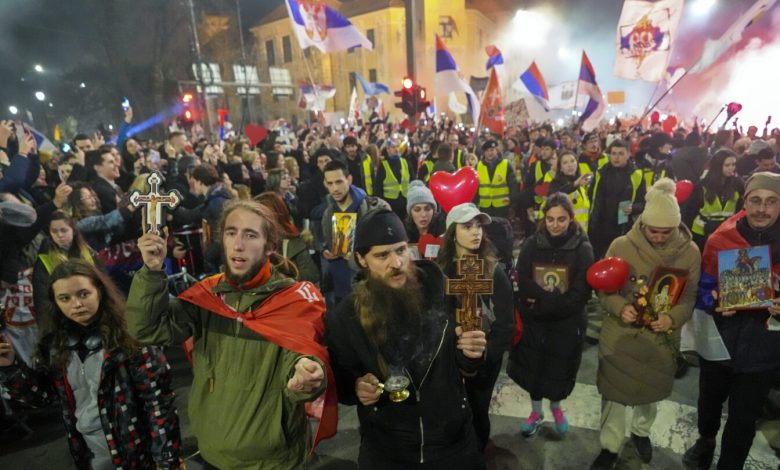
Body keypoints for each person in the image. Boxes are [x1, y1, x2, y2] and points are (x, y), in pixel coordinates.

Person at [127, 200, 336, 469]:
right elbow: (146, 328)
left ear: (270, 245)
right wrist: (152, 271)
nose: (238, 245)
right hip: (212, 452)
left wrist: (308, 375)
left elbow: (303, 362)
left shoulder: (292, 300)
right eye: (231, 233)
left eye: (250, 235)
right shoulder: (207, 296)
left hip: (273, 460)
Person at [326, 209, 488, 469]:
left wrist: (472, 354)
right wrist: (357, 387)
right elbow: (341, 381)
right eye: (382, 255)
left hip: (452, 443)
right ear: (361, 259)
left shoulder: (441, 291)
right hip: (388, 449)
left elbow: (466, 366)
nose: (396, 263)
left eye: (401, 250)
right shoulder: (345, 318)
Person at [0, 260, 182, 469]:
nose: (76, 304)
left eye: (83, 294)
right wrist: (9, 367)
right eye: (65, 298)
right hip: (88, 457)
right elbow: (42, 397)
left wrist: (166, 461)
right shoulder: (55, 345)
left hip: (138, 458)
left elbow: (158, 406)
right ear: (55, 303)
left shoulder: (132, 338)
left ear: (100, 292)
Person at [590, 178, 700, 470]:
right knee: (613, 396)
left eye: (667, 232)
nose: (660, 237)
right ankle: (610, 446)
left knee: (649, 393)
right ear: (642, 223)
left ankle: (641, 432)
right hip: (621, 334)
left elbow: (689, 297)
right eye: (654, 231)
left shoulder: (690, 252)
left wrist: (672, 318)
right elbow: (604, 291)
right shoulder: (621, 245)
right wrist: (619, 307)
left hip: (660, 336)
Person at [683, 172, 780, 470]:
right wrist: (714, 303)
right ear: (745, 202)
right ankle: (706, 440)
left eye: (772, 201)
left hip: (763, 350)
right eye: (755, 200)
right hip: (720, 341)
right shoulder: (721, 239)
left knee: (743, 419)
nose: (762, 208)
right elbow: (702, 291)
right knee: (709, 403)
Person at [509, 193, 594, 438]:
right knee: (534, 368)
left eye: (561, 219)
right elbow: (522, 278)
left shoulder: (582, 248)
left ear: (571, 219)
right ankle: (536, 412)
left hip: (566, 322)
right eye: (550, 219)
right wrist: (545, 301)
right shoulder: (532, 244)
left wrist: (545, 303)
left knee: (559, 367)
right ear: (543, 219)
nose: (555, 224)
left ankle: (556, 406)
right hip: (535, 320)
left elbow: (580, 292)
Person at [436, 203, 515, 452]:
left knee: (478, 410)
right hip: (451, 357)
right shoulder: (442, 273)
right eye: (467, 226)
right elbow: (437, 317)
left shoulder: (493, 271)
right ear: (452, 233)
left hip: (484, 361)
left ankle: (478, 452)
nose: (475, 232)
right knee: (452, 409)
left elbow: (505, 325)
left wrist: (483, 357)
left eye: (478, 226)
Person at [321, 160, 390, 306]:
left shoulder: (374, 208)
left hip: (370, 289)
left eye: (339, 182)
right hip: (340, 291)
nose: (335, 188)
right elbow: (328, 243)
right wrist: (326, 251)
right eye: (330, 183)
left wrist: (352, 258)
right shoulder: (328, 214)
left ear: (349, 179)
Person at [32, 210, 101, 338]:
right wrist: (48, 332)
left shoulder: (89, 252)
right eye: (54, 231)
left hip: (96, 316)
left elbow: (104, 284)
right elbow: (42, 301)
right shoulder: (44, 259)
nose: (59, 235)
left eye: (63, 230)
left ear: (73, 230)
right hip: (64, 322)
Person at [588, 139, 646, 259]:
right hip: (599, 226)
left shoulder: (637, 175)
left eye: (620, 154)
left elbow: (643, 203)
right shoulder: (600, 173)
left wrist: (633, 208)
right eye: (614, 153)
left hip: (623, 227)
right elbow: (591, 197)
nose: (616, 157)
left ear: (628, 155)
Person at [684, 149, 743, 252]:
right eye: (727, 165)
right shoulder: (702, 185)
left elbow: (740, 210)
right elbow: (690, 212)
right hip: (702, 233)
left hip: (727, 232)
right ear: (718, 166)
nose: (731, 168)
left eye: (733, 164)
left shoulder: (738, 184)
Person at [255, 191, 320, 284]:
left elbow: (312, 275)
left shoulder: (294, 242)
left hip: (286, 295)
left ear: (276, 214)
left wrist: (285, 278)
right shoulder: (251, 242)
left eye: (261, 215)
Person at [548, 150, 593, 232]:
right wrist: (575, 184)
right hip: (566, 233)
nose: (570, 165)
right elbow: (556, 195)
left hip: (582, 234)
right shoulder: (556, 183)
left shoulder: (581, 185)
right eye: (565, 163)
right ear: (560, 168)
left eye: (572, 161)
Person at [477, 140, 520, 219]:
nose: (490, 153)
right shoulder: (478, 166)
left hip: (502, 205)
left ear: (496, 150)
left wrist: (512, 202)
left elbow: (513, 185)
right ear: (484, 153)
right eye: (487, 151)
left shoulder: (505, 164)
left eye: (492, 150)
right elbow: (476, 187)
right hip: (484, 206)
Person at [373, 134, 411, 220]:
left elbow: (412, 180)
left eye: (397, 146)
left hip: (405, 204)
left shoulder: (405, 162)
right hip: (390, 205)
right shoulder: (383, 165)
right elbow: (378, 187)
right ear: (388, 149)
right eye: (393, 147)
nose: (396, 149)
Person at [405, 180, 445, 248]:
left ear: (434, 210)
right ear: (410, 212)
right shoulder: (404, 232)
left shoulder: (443, 226)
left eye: (427, 209)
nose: (423, 215)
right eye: (417, 210)